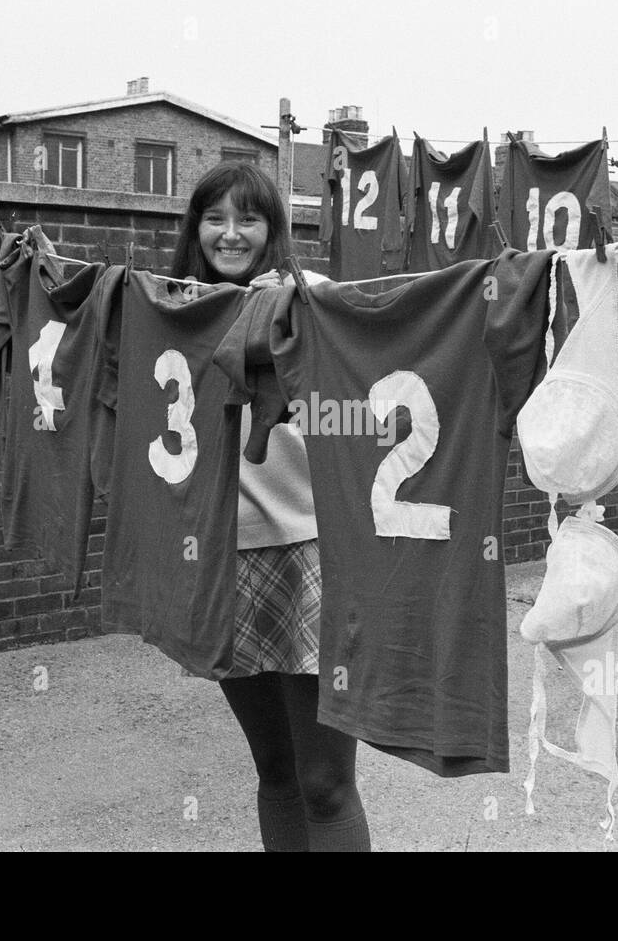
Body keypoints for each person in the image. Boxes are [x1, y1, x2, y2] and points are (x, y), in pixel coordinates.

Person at [170, 161, 371, 852]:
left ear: (273, 227)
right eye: (215, 217)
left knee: (326, 781)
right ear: (195, 228)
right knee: (275, 770)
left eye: (248, 217)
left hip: (316, 555)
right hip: (225, 563)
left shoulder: (311, 296)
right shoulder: (173, 307)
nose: (231, 233)